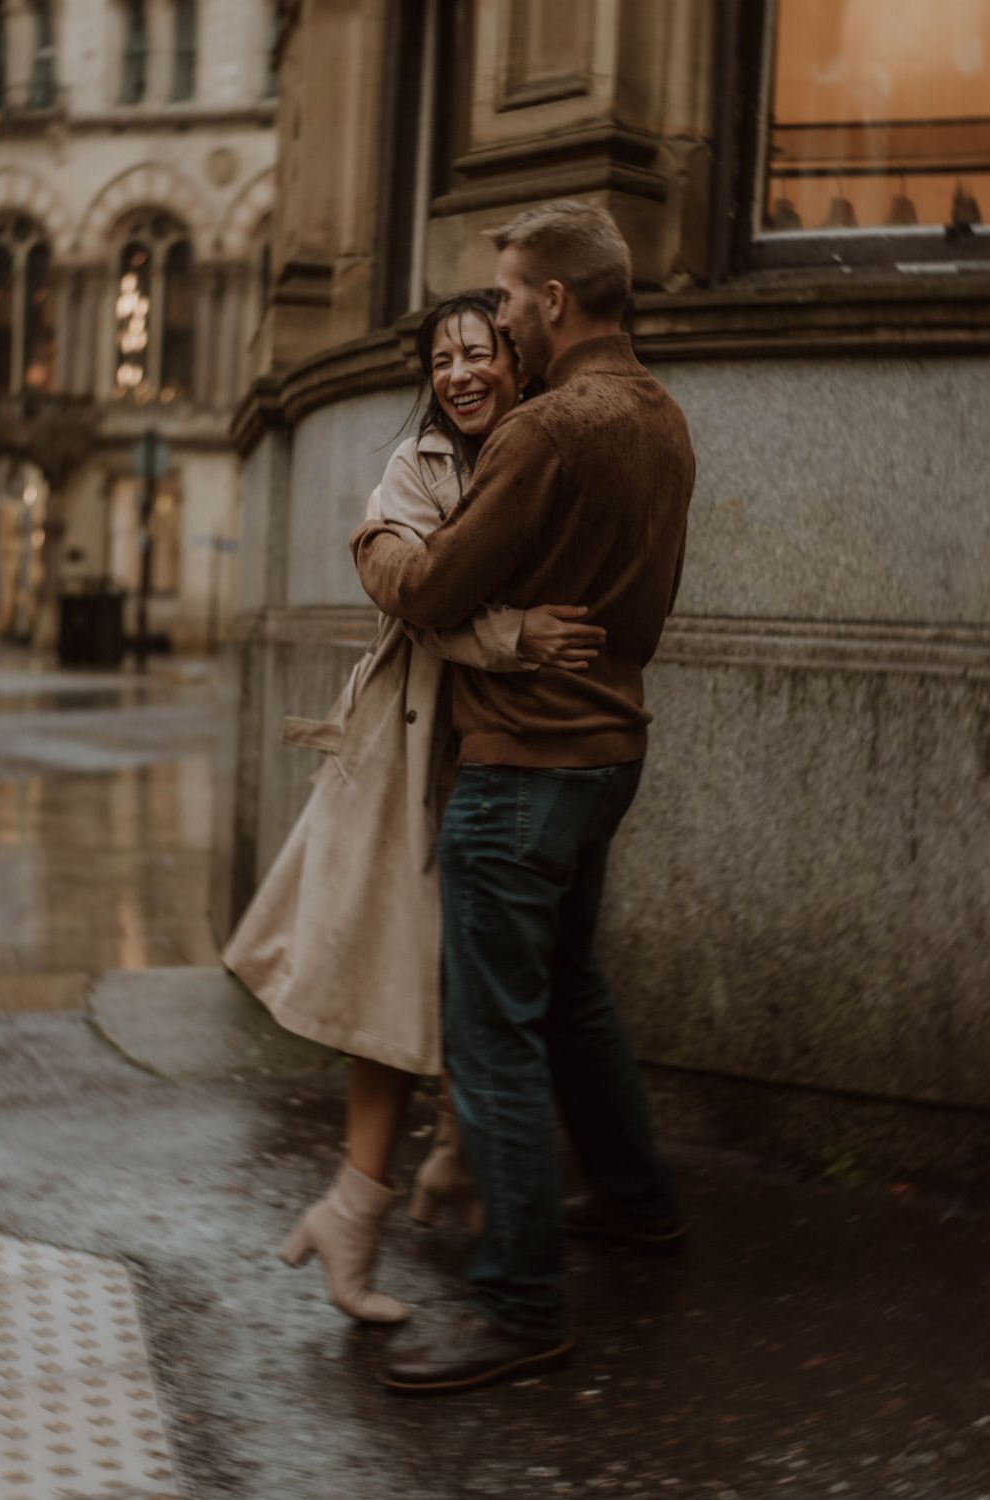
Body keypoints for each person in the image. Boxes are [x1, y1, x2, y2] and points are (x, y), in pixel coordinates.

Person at [351, 200, 696, 1394]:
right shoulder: (663, 417)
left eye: (504, 300)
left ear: (553, 301)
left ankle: (520, 1304)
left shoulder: (546, 432)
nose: (495, 321)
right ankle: (639, 1201)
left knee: (492, 1030)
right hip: (610, 755)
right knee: (568, 990)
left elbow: (437, 586)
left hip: (521, 767)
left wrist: (374, 548)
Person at [223, 289, 603, 1324]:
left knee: (480, 983)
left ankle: (441, 1175)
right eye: (442, 360)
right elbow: (420, 602)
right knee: (390, 990)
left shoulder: (540, 455)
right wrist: (512, 634)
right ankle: (358, 1212)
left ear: (518, 363)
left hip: (506, 757)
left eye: (479, 352)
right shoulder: (416, 466)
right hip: (406, 756)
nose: (460, 373)